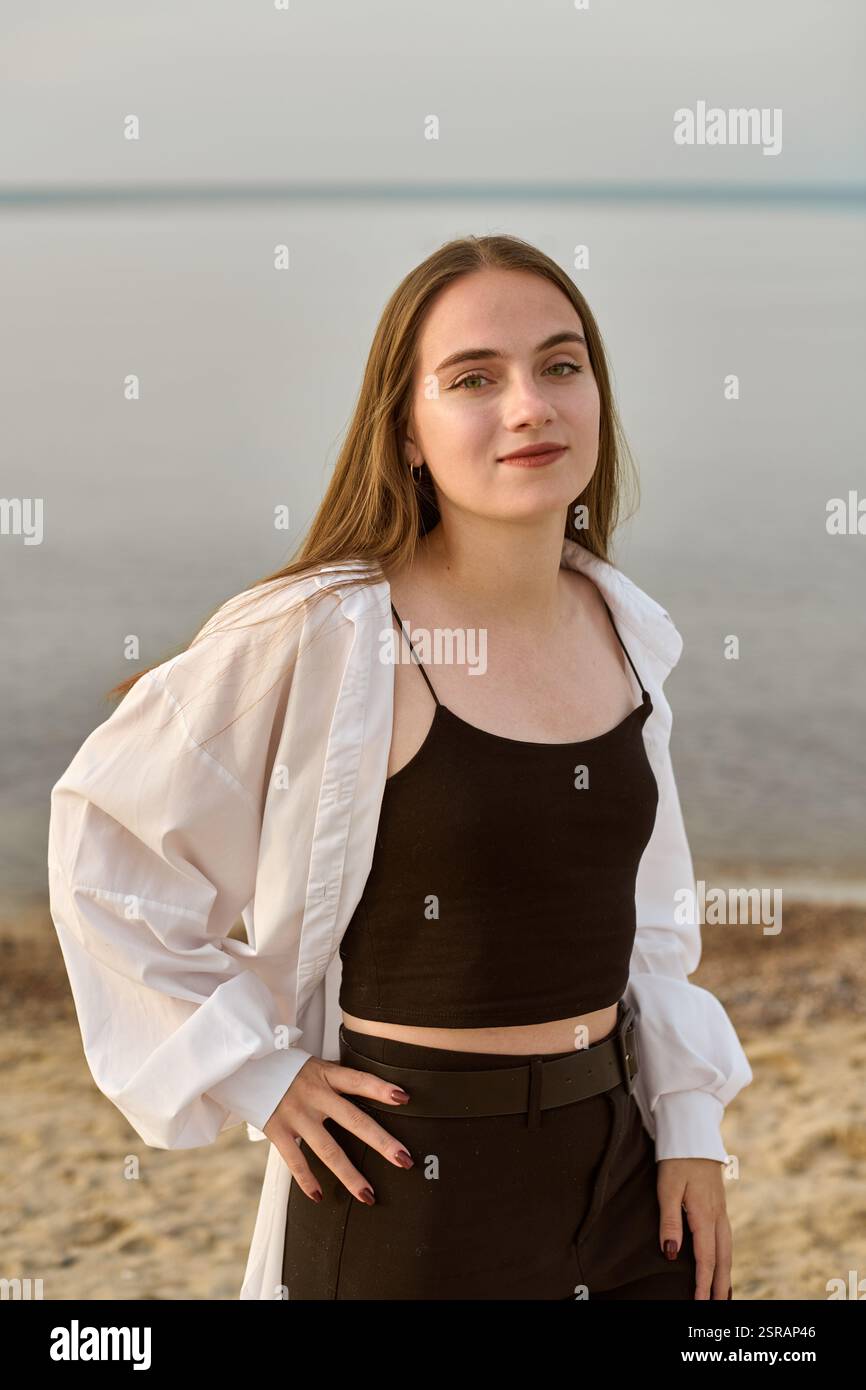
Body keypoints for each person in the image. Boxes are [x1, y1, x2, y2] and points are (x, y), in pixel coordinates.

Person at [48, 233, 753, 1301]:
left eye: (561, 365)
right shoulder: (324, 633)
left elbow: (648, 920)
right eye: (474, 379)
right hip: (402, 1199)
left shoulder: (622, 625)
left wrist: (689, 1123)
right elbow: (105, 851)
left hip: (620, 1184)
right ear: (407, 431)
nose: (530, 405)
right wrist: (260, 1073)